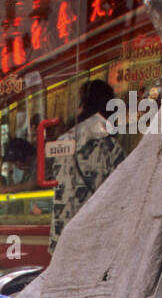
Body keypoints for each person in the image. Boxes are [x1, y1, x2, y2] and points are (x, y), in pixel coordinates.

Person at [48, 79, 125, 254]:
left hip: (63, 239)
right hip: (94, 241)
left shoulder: (62, 141)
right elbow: (122, 193)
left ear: (83, 105)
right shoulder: (109, 147)